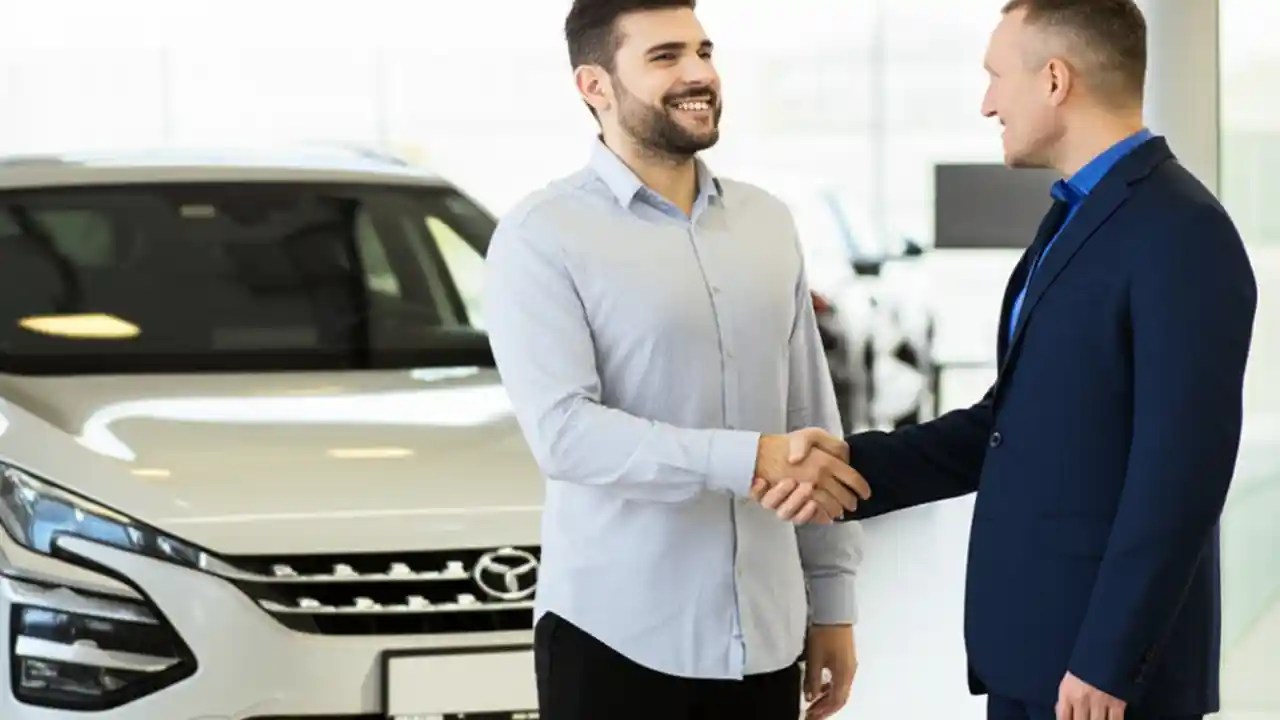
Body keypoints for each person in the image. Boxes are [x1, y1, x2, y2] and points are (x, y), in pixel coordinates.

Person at [768, 1, 1257, 719]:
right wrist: (849, 467)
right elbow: (1012, 422)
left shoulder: (1182, 232)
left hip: (1104, 683)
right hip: (1037, 660)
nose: (987, 101)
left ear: (1055, 79)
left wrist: (1108, 662)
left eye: (998, 76)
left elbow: (1180, 478)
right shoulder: (1074, 217)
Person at [483, 1, 869, 718]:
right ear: (593, 86)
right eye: (665, 57)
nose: (700, 74)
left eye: (704, 50)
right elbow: (566, 434)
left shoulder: (767, 223)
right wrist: (750, 457)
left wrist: (833, 604)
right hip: (617, 639)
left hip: (766, 636)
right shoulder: (542, 235)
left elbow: (810, 425)